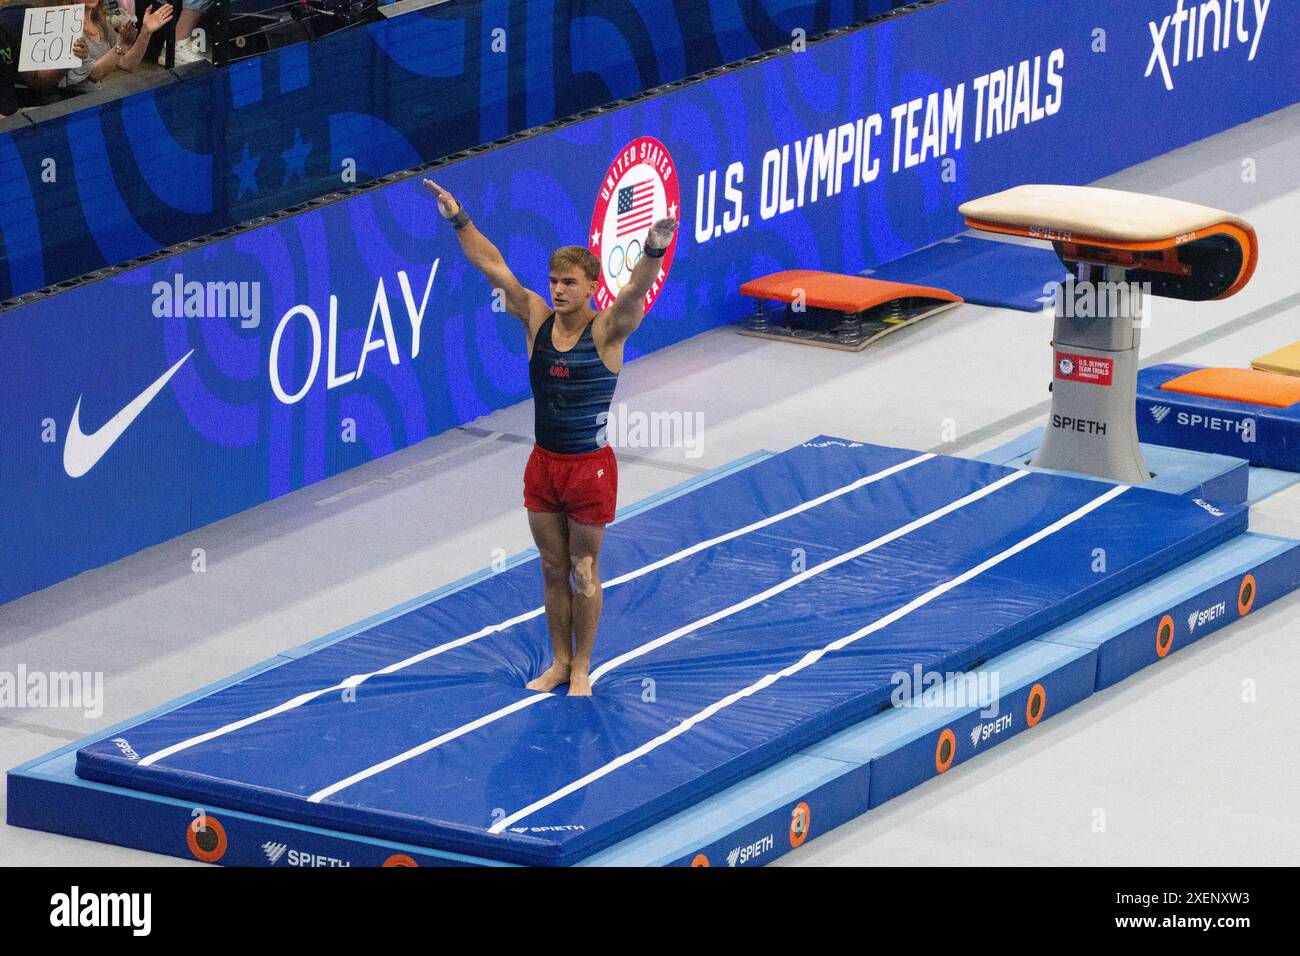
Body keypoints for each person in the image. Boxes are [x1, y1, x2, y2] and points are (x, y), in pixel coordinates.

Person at [424, 177, 677, 696]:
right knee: (552, 566)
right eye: (553, 281)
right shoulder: (536, 318)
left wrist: (654, 247)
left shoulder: (607, 330)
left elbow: (634, 289)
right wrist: (458, 217)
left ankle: (583, 665)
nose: (557, 290)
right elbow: (493, 267)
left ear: (590, 286)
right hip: (543, 463)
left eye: (567, 283)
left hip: (589, 468)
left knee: (584, 569)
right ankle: (559, 662)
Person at [58, 0, 173, 93]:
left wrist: (146, 32)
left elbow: (128, 64)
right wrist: (121, 45)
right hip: (69, 102)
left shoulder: (102, 24)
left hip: (95, 97)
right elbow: (94, 75)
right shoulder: (67, 27)